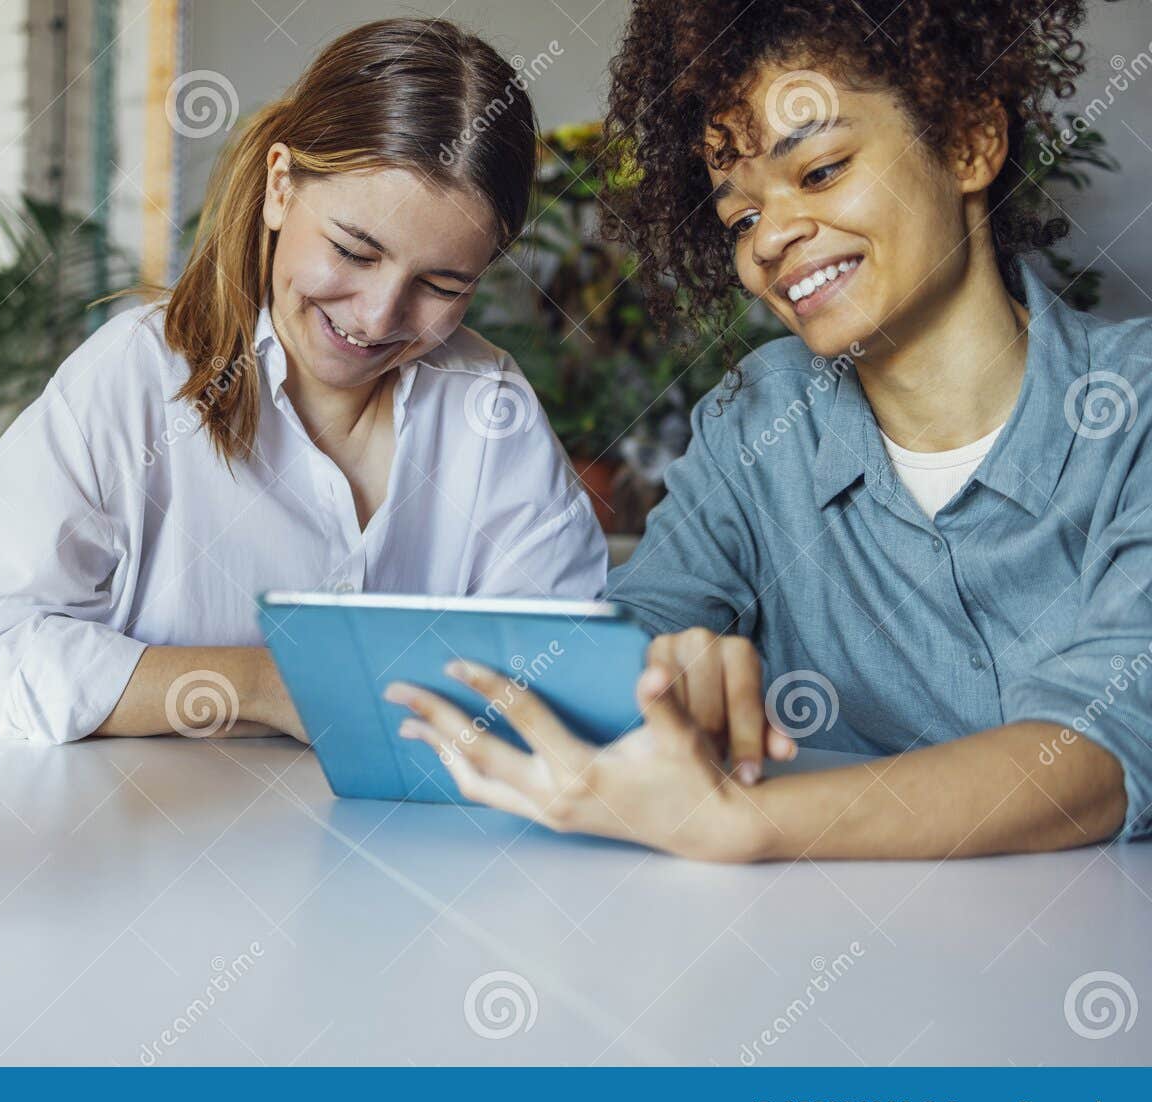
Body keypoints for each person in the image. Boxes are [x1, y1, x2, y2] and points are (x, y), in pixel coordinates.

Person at [388, 0, 1151, 859]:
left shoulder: (1135, 409)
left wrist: (740, 823)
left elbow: (1103, 744)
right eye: (741, 219)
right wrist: (668, 675)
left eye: (820, 171)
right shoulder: (755, 419)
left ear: (970, 141)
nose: (774, 239)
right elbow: (636, 630)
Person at [0, 18, 607, 745]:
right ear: (279, 186)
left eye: (440, 284)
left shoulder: (489, 408)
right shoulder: (138, 379)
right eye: (354, 251)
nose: (378, 316)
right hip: (151, 850)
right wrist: (263, 683)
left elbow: (569, 670)